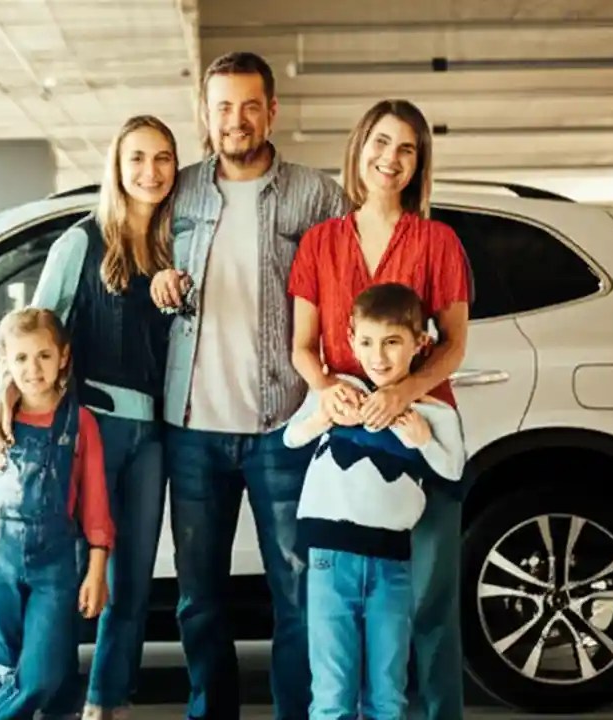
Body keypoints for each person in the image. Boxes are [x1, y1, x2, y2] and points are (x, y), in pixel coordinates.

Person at [150, 51, 349, 720]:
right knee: (198, 597)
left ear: (272, 110)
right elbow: (136, 260)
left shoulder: (316, 195)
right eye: (223, 107)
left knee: (296, 590)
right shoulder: (178, 192)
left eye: (248, 106)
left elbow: (349, 299)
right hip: (193, 429)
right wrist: (159, 281)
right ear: (206, 115)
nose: (236, 120)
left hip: (283, 425)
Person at [0, 114, 179, 719]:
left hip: (156, 438)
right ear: (117, 169)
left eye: (163, 159)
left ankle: (107, 702)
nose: (150, 172)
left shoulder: (180, 245)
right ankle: (46, 701)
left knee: (132, 583)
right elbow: (31, 338)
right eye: (137, 159)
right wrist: (4, 399)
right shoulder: (82, 242)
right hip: (88, 432)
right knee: (69, 579)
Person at [288, 98, 473, 720]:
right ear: (359, 146)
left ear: (419, 164)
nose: (389, 159)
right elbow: (302, 347)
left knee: (427, 601)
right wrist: (324, 390)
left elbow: (454, 346)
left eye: (406, 149)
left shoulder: (438, 241)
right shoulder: (320, 242)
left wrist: (402, 392)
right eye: (381, 142)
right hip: (344, 437)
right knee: (346, 608)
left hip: (418, 431)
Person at [283, 282, 467, 720]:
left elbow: (453, 470)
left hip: (391, 565)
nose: (378, 356)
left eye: (392, 343)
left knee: (387, 694)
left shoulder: (433, 412)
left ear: (420, 344)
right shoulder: (339, 389)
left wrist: (423, 440)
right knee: (331, 692)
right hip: (330, 559)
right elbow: (292, 438)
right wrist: (322, 414)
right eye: (366, 342)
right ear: (350, 340)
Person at [0, 307, 115, 720]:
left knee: (44, 675)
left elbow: (95, 508)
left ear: (63, 356)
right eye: (21, 358)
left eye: (43, 355)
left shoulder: (81, 423)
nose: (33, 368)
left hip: (54, 564)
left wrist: (97, 572)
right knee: (7, 675)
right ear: (5, 361)